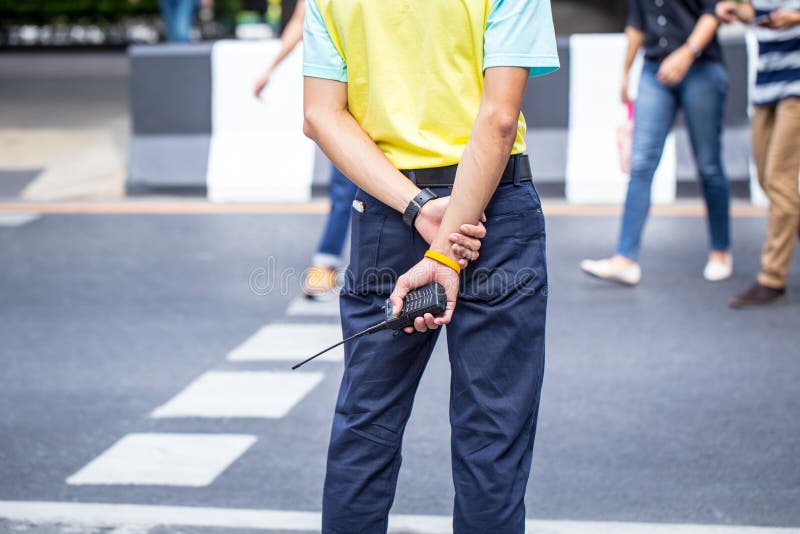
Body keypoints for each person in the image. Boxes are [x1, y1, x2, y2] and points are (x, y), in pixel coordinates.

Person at [302, 0, 559, 531]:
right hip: (492, 213)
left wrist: (418, 209)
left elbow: (321, 115)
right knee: (493, 432)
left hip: (389, 209)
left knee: (367, 422)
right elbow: (498, 117)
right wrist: (446, 248)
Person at [581, 0, 733, 286]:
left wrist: (686, 54)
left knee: (709, 166)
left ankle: (720, 251)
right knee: (640, 164)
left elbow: (713, 13)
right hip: (654, 71)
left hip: (701, 67)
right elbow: (637, 25)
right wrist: (625, 73)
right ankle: (625, 259)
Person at [254, 0, 356, 298]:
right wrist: (271, 67)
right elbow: (302, 20)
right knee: (344, 184)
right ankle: (326, 263)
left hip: (388, 97)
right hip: (348, 99)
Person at [716, 1, 800, 307]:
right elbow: (752, 10)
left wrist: (794, 18)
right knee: (767, 179)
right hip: (766, 81)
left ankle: (772, 278)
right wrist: (737, 11)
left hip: (797, 82)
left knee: (780, 181)